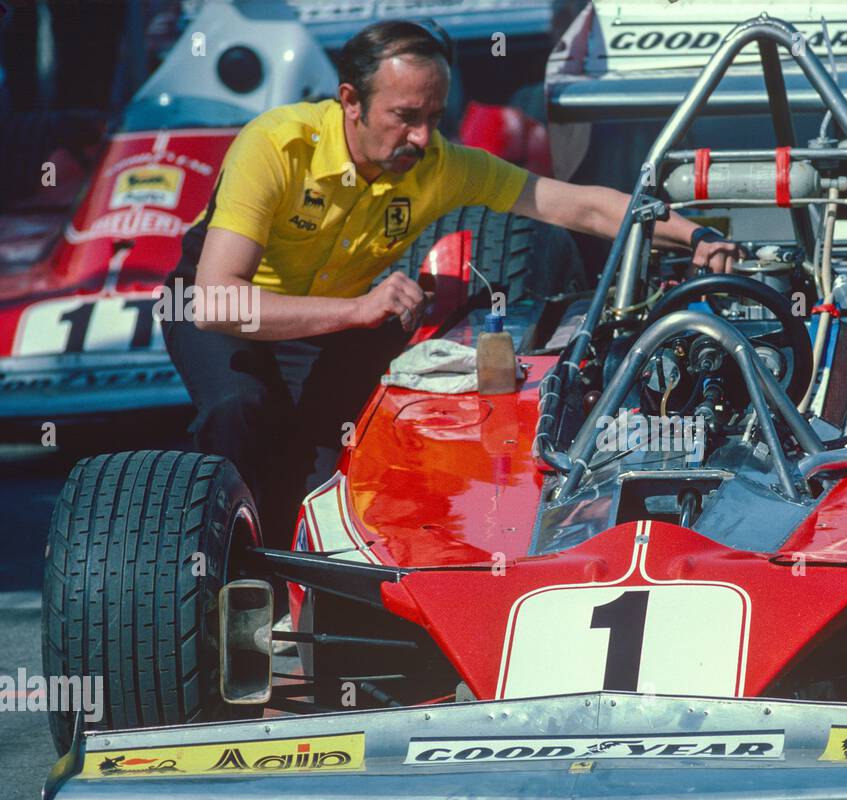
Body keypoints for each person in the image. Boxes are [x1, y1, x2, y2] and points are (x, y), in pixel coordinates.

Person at [163, 19, 740, 548]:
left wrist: (696, 238)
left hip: (339, 313)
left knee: (337, 449)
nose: (421, 138)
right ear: (350, 103)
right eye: (405, 117)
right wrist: (359, 310)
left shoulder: (439, 163)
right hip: (226, 308)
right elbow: (216, 300)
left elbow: (580, 207)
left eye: (434, 118)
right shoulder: (276, 145)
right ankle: (214, 569)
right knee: (241, 411)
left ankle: (315, 585)